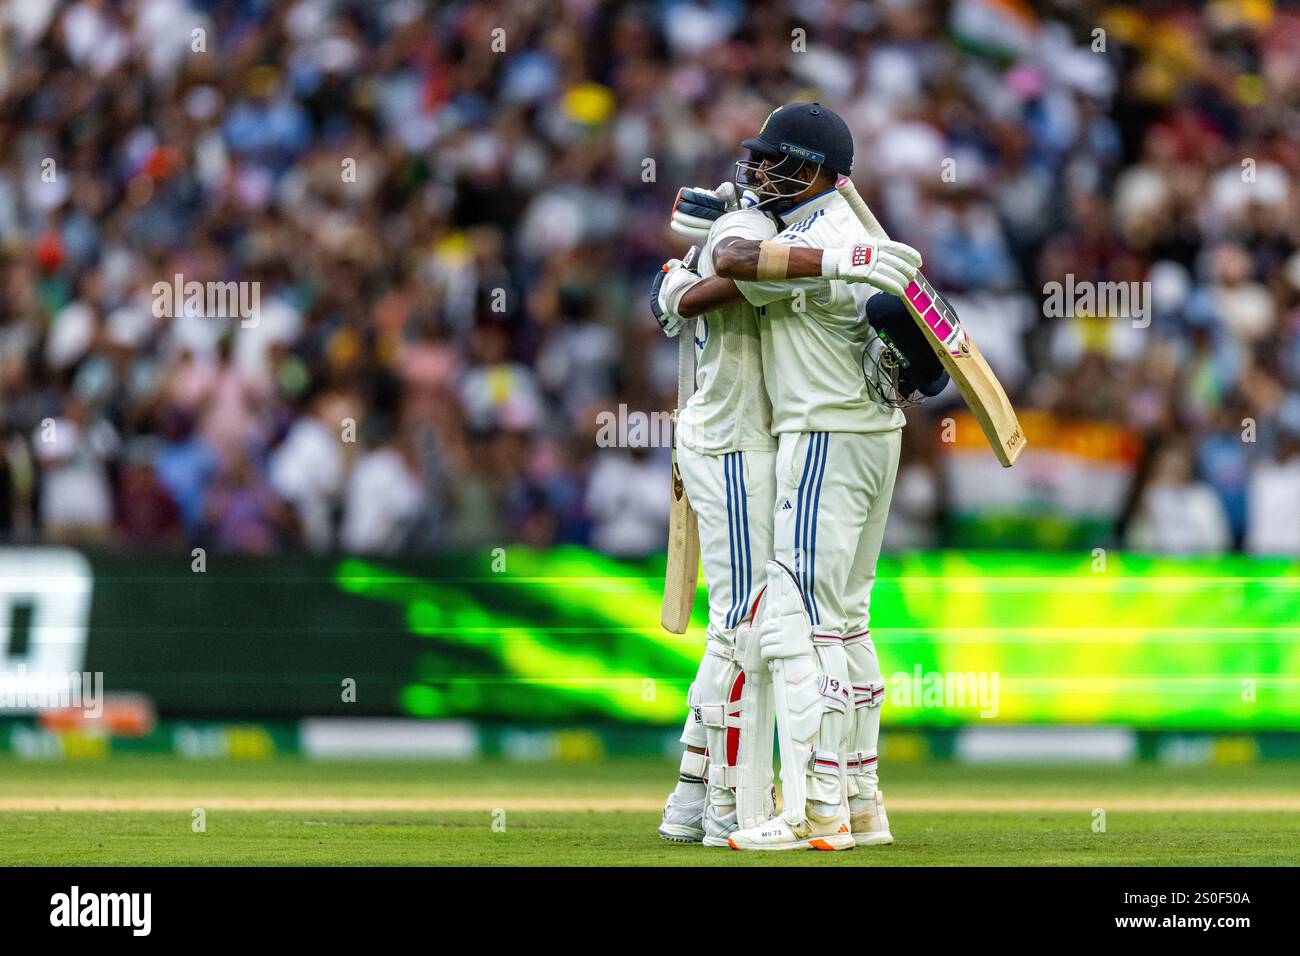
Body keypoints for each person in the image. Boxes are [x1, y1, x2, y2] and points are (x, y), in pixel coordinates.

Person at [650, 102, 925, 850]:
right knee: (834, 624)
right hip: (853, 438)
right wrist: (687, 274)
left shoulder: (795, 237)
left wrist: (682, 280)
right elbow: (727, 271)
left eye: (775, 160)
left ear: (812, 171)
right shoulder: (831, 236)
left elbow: (733, 268)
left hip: (807, 436)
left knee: (782, 624)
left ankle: (805, 809)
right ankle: (848, 801)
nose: (758, 170)